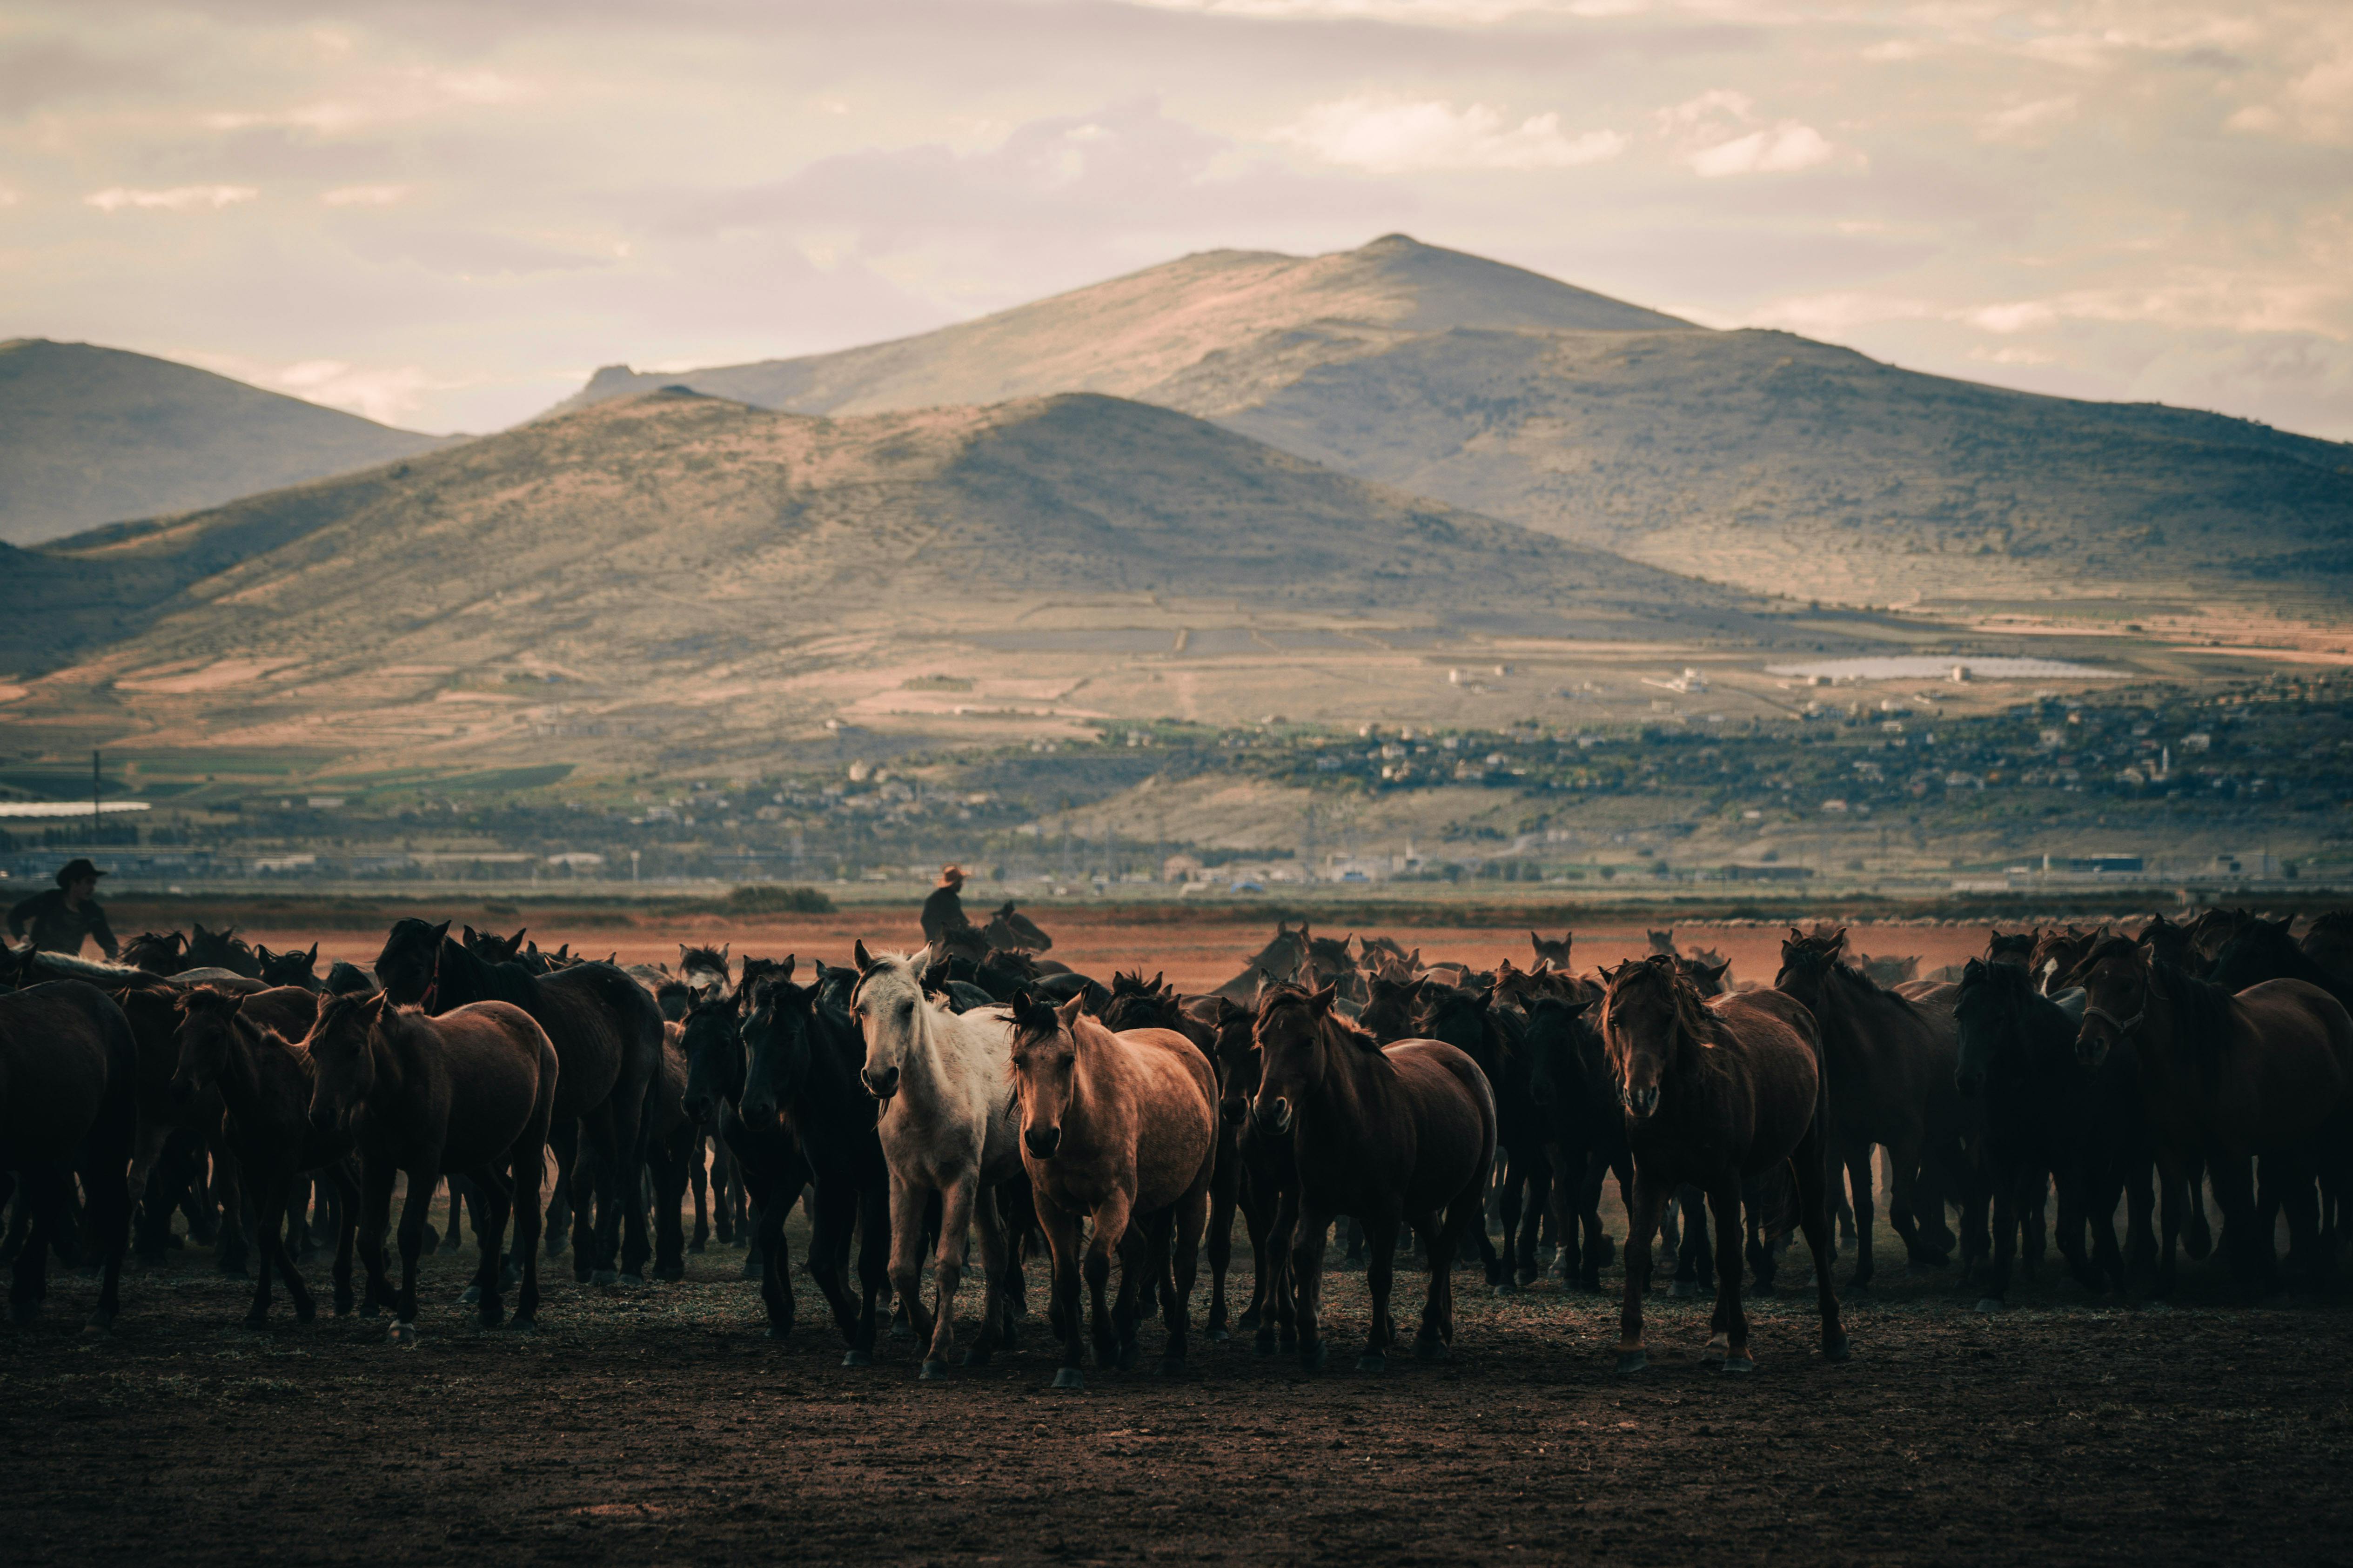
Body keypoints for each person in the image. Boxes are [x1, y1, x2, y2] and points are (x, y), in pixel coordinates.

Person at [7, 857, 120, 960]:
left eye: (94, 883)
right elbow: (15, 915)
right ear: (73, 883)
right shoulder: (49, 899)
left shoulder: (93, 911)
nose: (92, 888)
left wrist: (111, 961)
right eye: (88, 882)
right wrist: (22, 936)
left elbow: (109, 942)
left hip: (67, 967)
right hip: (37, 962)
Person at [920, 864, 976, 946]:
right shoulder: (935, 899)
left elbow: (960, 917)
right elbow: (926, 920)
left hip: (954, 939)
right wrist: (936, 939)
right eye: (959, 882)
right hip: (939, 943)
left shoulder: (954, 898)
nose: (961, 885)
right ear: (954, 883)